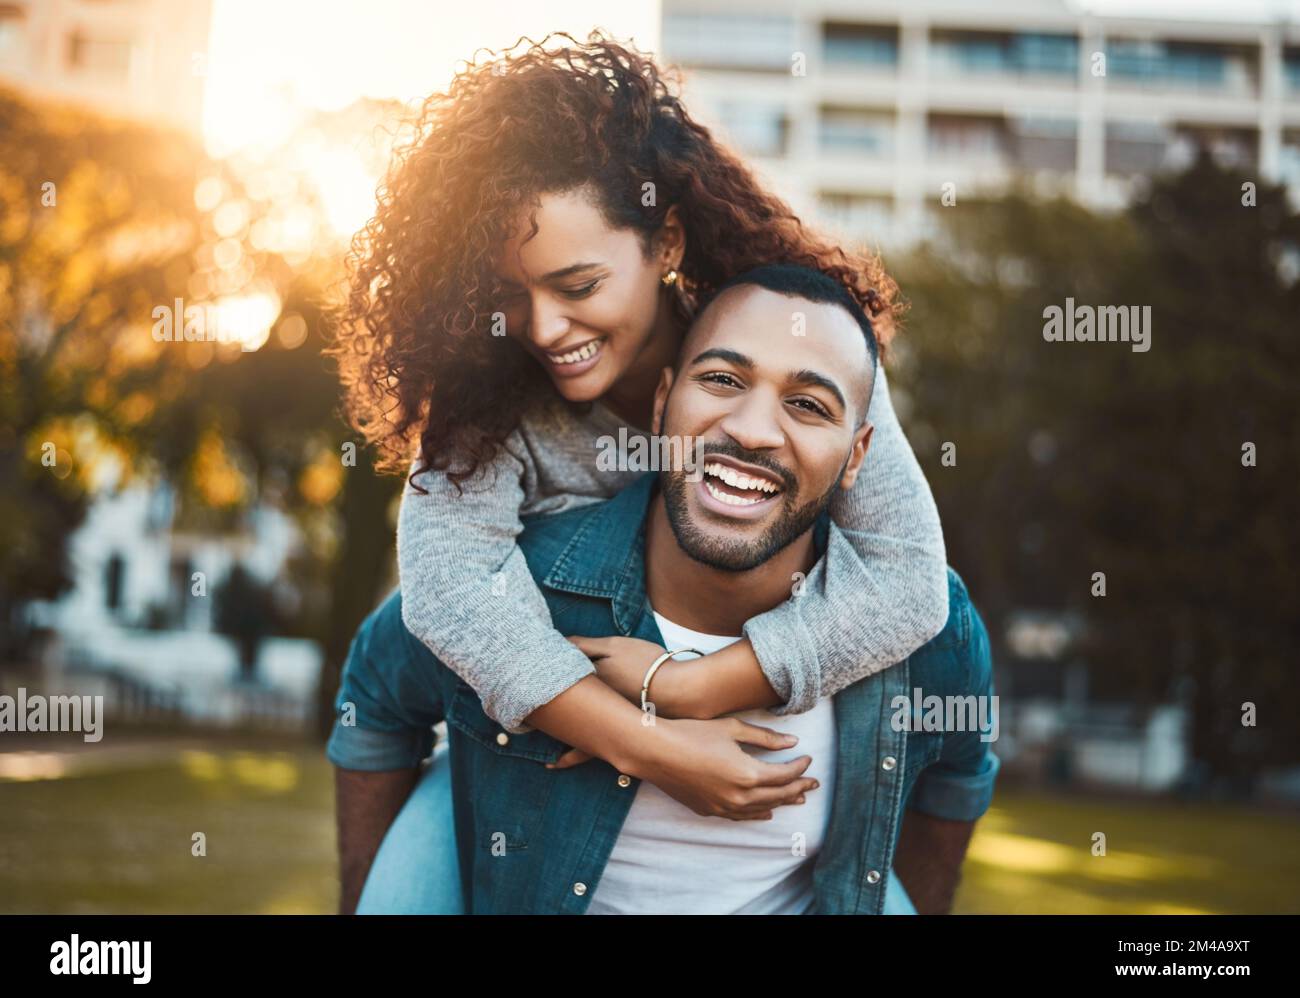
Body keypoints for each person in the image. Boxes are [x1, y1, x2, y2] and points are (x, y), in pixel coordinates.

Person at [326, 35, 951, 904]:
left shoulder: (787, 342)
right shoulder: (488, 399)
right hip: (515, 753)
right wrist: (649, 742)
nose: (543, 327)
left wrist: (693, 687)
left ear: (663, 241)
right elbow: (448, 592)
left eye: (577, 285)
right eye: (511, 295)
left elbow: (912, 580)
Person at [329, 265, 999, 914]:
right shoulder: (515, 592)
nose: (752, 429)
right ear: (661, 402)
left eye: (807, 404)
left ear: (857, 455)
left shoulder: (922, 631)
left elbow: (958, 771)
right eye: (721, 379)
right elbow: (380, 691)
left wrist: (679, 687)